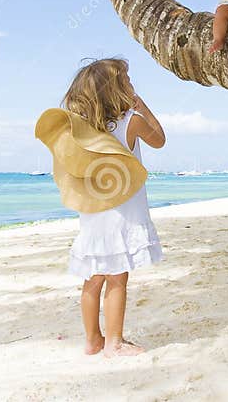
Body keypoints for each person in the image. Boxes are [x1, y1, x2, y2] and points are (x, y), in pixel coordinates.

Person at [60, 58, 166, 357]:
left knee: (93, 277)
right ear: (118, 90)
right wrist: (141, 105)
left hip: (93, 212)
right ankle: (114, 343)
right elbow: (159, 140)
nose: (133, 85)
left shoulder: (80, 130)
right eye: (128, 81)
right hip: (122, 214)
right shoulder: (131, 120)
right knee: (118, 277)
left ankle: (93, 340)